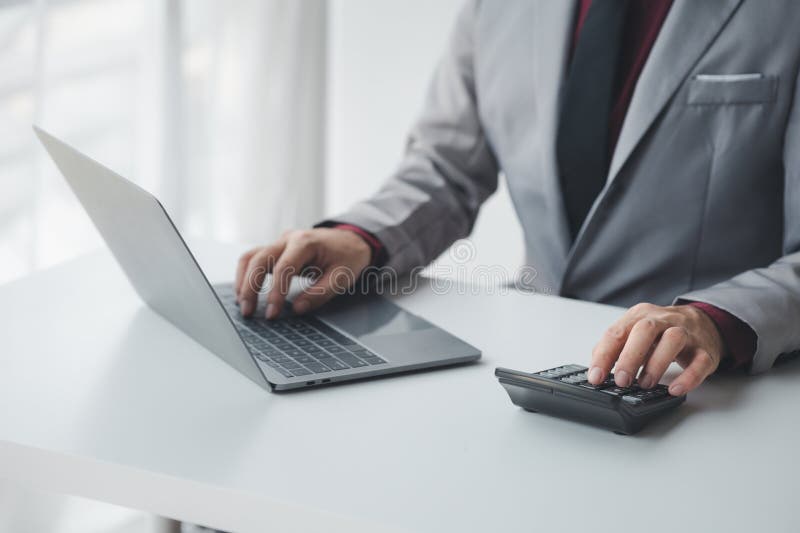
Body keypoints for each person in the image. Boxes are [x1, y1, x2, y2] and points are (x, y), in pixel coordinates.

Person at [233, 0, 800, 396]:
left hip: (705, 391)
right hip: (528, 369)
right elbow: (446, 167)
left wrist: (712, 321)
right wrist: (360, 237)